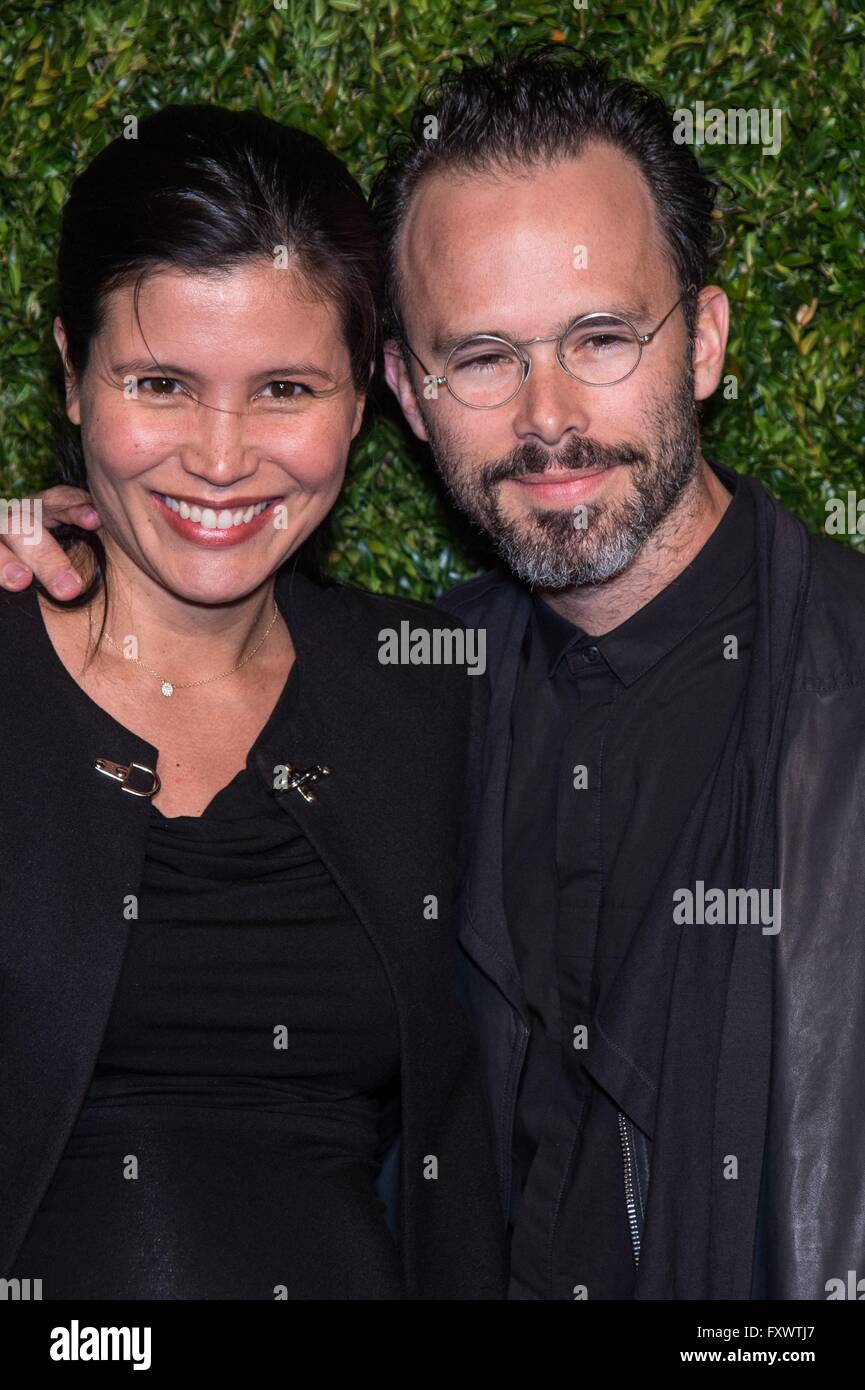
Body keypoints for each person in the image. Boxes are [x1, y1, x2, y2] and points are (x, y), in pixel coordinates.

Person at [369, 45, 865, 1300]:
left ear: (700, 341)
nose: (545, 416)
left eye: (598, 337)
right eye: (480, 357)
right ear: (408, 397)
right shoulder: (386, 706)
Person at [0, 104, 506, 1300]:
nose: (221, 458)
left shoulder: (438, 696)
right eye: (161, 382)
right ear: (73, 376)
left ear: (366, 401)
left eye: (284, 387)